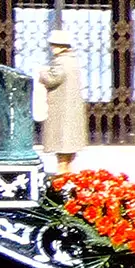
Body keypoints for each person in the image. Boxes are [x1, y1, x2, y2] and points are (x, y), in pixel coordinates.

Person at [37, 30, 87, 175]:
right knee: (69, 150)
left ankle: (62, 178)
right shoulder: (73, 60)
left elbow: (53, 79)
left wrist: (41, 72)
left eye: (53, 45)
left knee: (62, 149)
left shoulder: (61, 62)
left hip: (62, 111)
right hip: (70, 110)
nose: (52, 49)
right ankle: (67, 175)